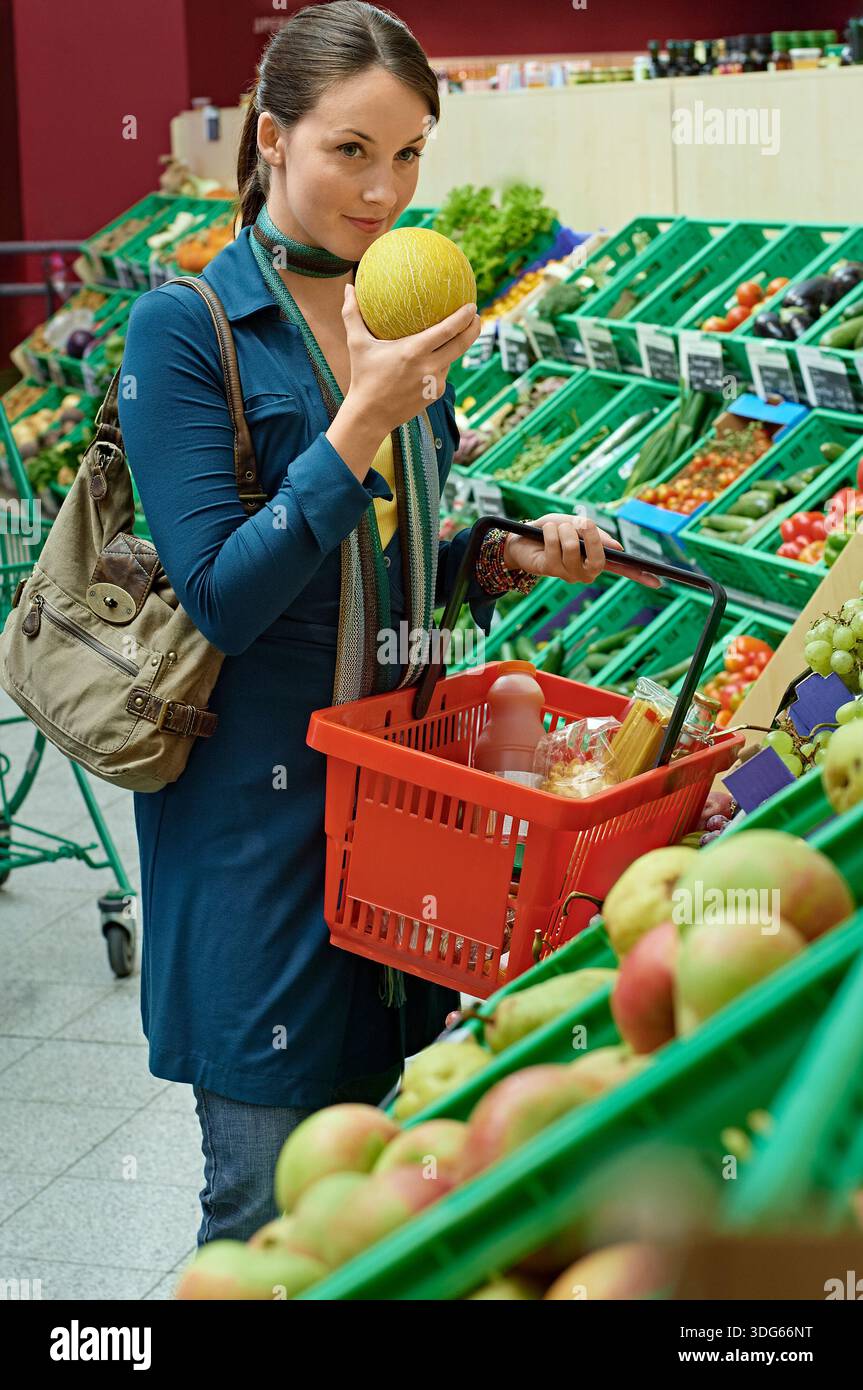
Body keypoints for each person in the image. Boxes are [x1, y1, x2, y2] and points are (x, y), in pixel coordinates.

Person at [118, 0, 635, 1246]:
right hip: (257, 845)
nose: (385, 190)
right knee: (264, 1216)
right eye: (351, 150)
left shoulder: (392, 313)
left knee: (384, 1205)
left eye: (409, 155)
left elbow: (398, 562)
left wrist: (508, 556)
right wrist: (358, 419)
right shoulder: (186, 334)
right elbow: (222, 596)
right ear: (270, 138)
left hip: (405, 846)